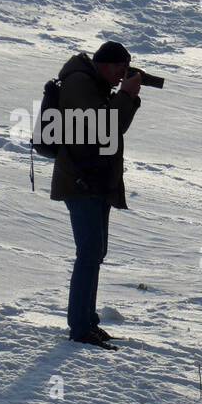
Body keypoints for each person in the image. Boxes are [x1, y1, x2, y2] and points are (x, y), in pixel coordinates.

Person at [51, 41, 143, 350]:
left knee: (95, 253)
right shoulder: (80, 83)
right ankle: (80, 328)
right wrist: (127, 95)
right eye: (120, 68)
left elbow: (113, 128)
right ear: (104, 63)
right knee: (88, 254)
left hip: (93, 182)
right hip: (80, 183)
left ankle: (88, 321)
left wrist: (126, 97)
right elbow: (101, 127)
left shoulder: (94, 85)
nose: (122, 75)